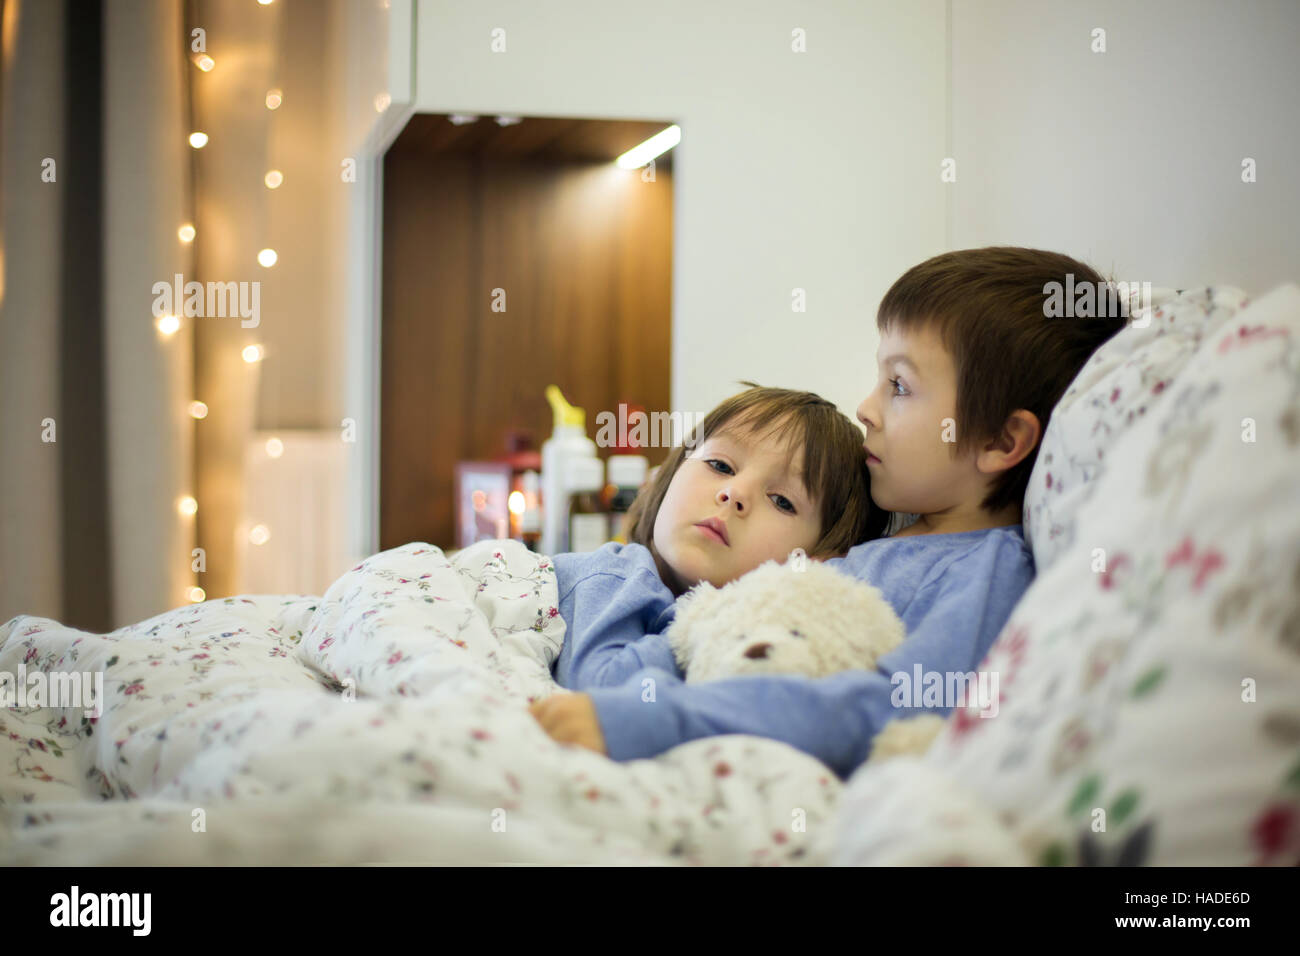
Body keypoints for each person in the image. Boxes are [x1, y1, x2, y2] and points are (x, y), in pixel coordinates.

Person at [531, 247, 1130, 779]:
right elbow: (701, 638)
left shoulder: (984, 571)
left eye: (899, 384)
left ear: (999, 441)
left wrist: (660, 719)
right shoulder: (876, 547)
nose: (866, 408)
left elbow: (891, 709)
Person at [548, 383, 890, 692]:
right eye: (720, 466)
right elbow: (600, 689)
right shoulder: (616, 573)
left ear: (817, 560)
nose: (734, 493)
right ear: (669, 476)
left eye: (782, 500)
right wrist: (713, 624)